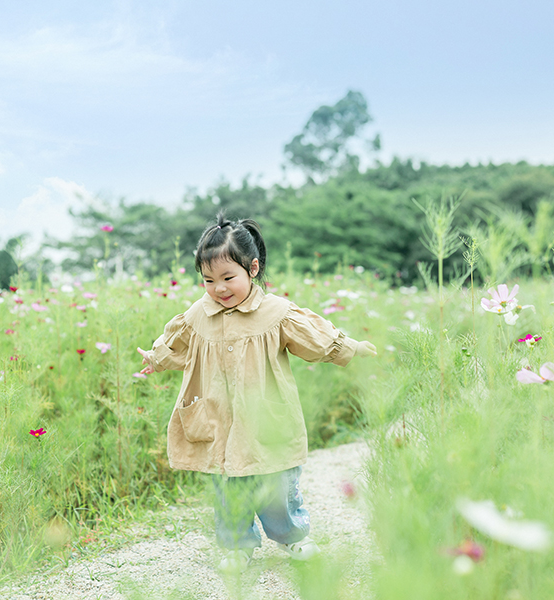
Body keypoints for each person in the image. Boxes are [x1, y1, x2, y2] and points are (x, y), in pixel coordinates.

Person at [137, 213, 376, 573]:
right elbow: (177, 342)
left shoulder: (276, 312)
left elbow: (316, 338)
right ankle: (237, 544)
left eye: (227, 278)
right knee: (229, 487)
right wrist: (156, 358)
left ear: (252, 268)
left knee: (277, 482)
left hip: (267, 417)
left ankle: (292, 536)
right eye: (208, 280)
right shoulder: (198, 314)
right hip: (218, 418)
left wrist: (350, 348)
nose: (218, 288)